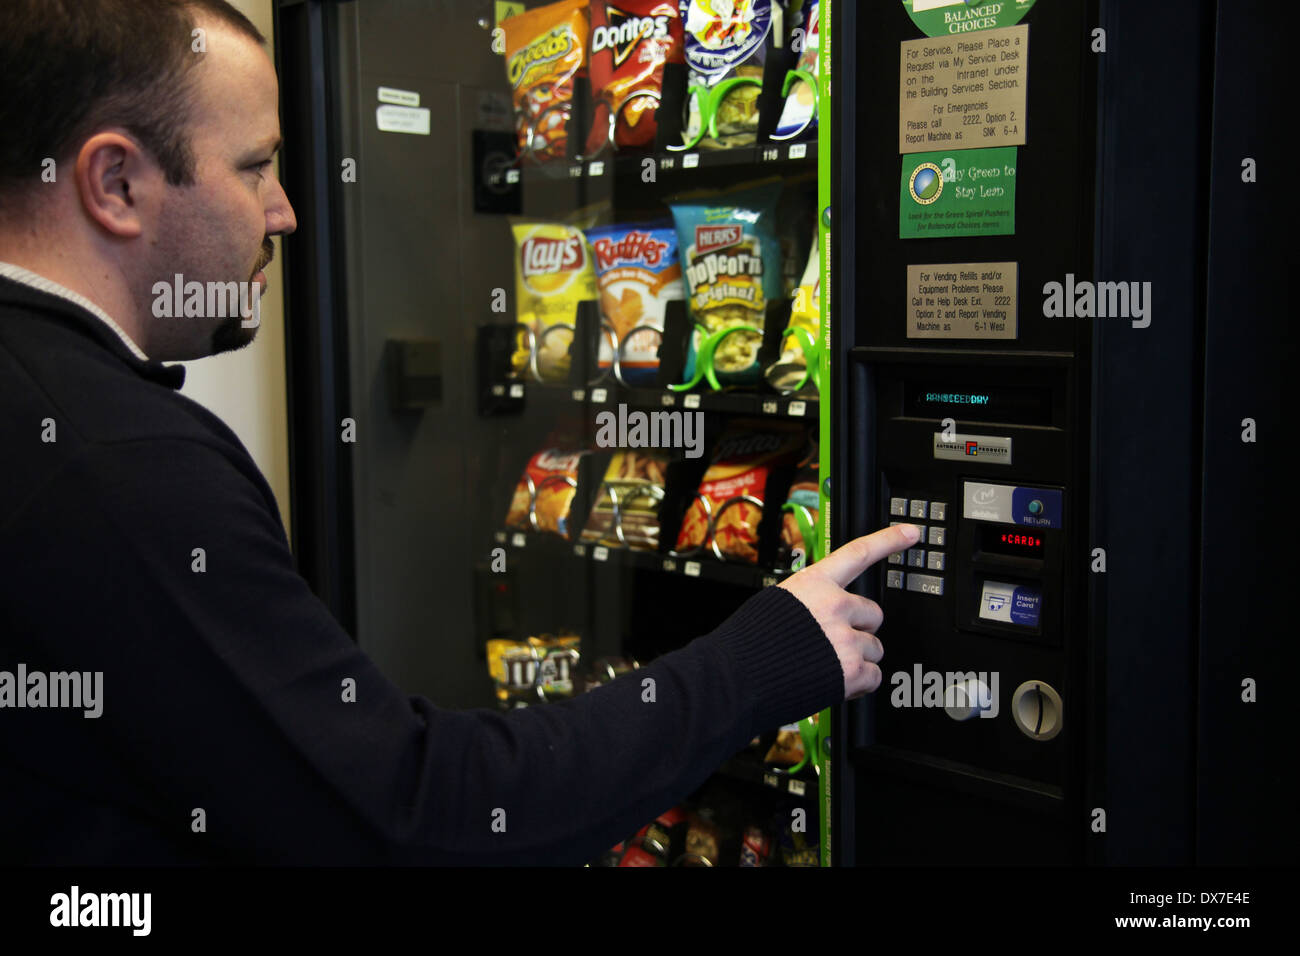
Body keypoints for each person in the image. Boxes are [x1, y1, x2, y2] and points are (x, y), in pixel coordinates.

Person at [0, 0, 919, 864]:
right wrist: (764, 658)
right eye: (254, 167)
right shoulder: (119, 468)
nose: (284, 210)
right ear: (115, 181)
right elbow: (417, 818)